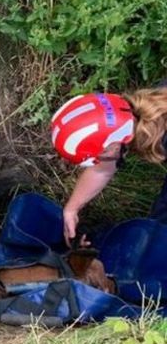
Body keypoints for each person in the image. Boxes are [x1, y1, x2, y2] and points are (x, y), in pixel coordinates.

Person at [50, 88, 167, 247]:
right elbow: (102, 170)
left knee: (159, 235)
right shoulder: (150, 102)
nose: (98, 162)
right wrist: (71, 209)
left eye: (98, 157)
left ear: (114, 147)